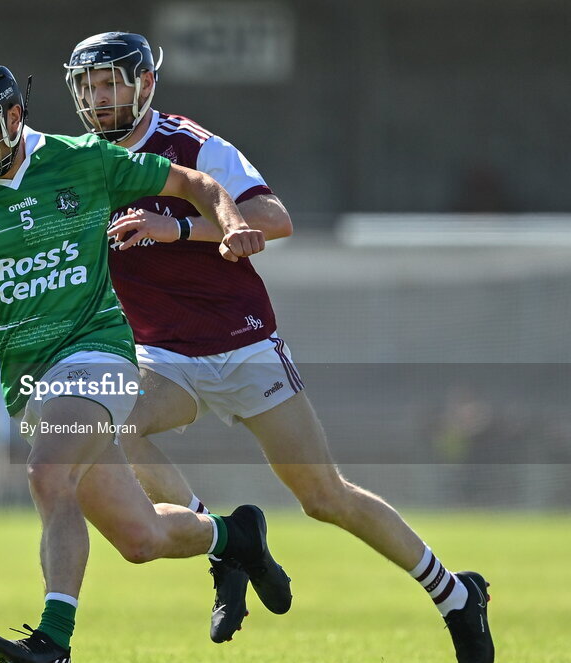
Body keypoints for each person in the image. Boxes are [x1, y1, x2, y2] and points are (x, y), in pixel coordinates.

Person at [56, 31, 493, 661]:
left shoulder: (192, 145)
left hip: (241, 343)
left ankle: (455, 595)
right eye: (89, 86)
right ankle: (231, 546)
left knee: (325, 497)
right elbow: (52, 255)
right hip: (160, 354)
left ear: (144, 83)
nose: (99, 98)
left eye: (111, 83)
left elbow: (273, 217)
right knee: (116, 424)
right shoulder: (74, 162)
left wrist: (176, 226)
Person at [0, 62, 288, 663]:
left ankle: (52, 640)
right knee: (141, 538)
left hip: (100, 355)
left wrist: (228, 225)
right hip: (32, 379)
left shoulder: (83, 159)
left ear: (14, 118)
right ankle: (235, 534)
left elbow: (195, 183)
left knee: (47, 473)